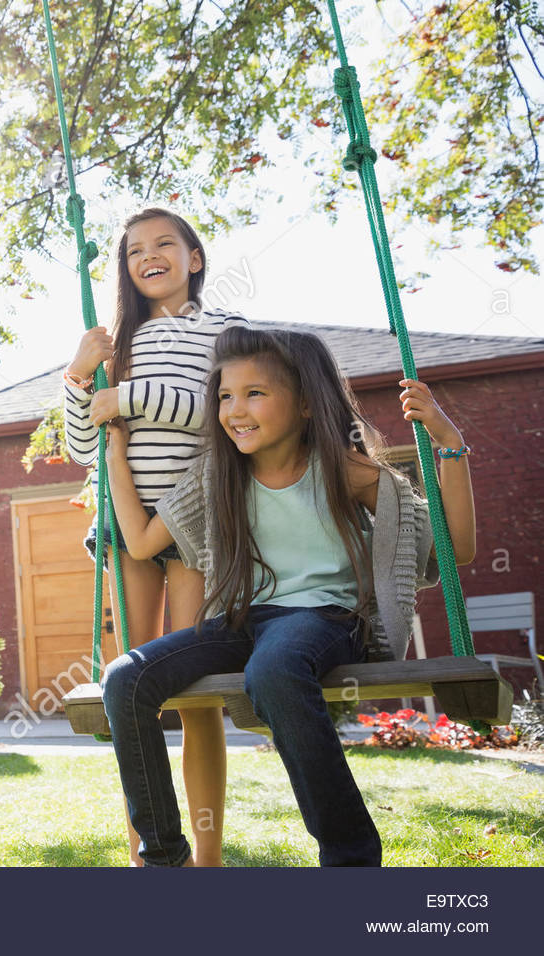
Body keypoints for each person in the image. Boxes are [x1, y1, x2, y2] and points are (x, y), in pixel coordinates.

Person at [97, 325, 475, 866]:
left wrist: (448, 444)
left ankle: (350, 861)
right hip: (247, 622)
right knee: (125, 678)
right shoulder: (219, 475)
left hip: (326, 619)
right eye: (225, 396)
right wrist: (115, 457)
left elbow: (455, 548)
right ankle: (163, 857)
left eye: (255, 393)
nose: (234, 410)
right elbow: (138, 541)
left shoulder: (348, 471)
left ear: (302, 404)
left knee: (272, 671)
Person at [64, 207, 249, 866]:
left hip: (197, 517)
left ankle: (207, 856)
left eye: (165, 243)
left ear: (193, 257)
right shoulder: (117, 341)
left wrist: (130, 398)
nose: (150, 255)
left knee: (196, 691)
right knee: (133, 693)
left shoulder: (225, 331)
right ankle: (149, 846)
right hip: (125, 517)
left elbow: (228, 413)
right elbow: (84, 443)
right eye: (135, 248)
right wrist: (79, 378)